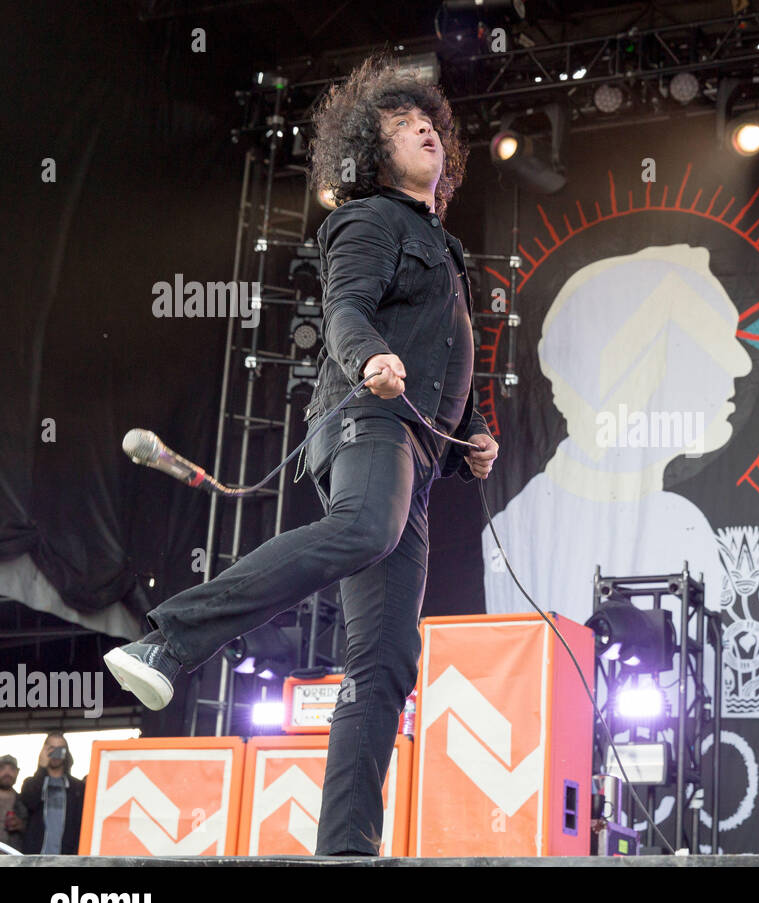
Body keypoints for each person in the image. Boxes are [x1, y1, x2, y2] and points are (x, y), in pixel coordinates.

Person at [103, 56, 500, 856]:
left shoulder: (445, 249)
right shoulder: (367, 220)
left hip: (418, 456)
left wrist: (474, 437)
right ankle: (168, 640)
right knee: (361, 527)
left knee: (386, 660)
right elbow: (347, 309)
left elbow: (446, 354)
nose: (424, 127)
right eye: (398, 123)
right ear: (371, 148)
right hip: (365, 423)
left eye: (429, 121)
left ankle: (345, 848)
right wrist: (365, 360)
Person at [20, 734, 84, 855]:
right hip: (35, 858)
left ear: (66, 753)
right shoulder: (31, 783)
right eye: (51, 748)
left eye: (60, 749)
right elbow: (30, 802)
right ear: (43, 751)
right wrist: (41, 768)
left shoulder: (78, 787)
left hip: (67, 859)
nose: (56, 753)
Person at [0, 755, 28, 849]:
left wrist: (21, 825)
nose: (7, 773)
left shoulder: (25, 802)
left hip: (13, 859)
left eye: (12, 769)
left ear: (17, 772)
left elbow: (35, 832)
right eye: (2, 768)